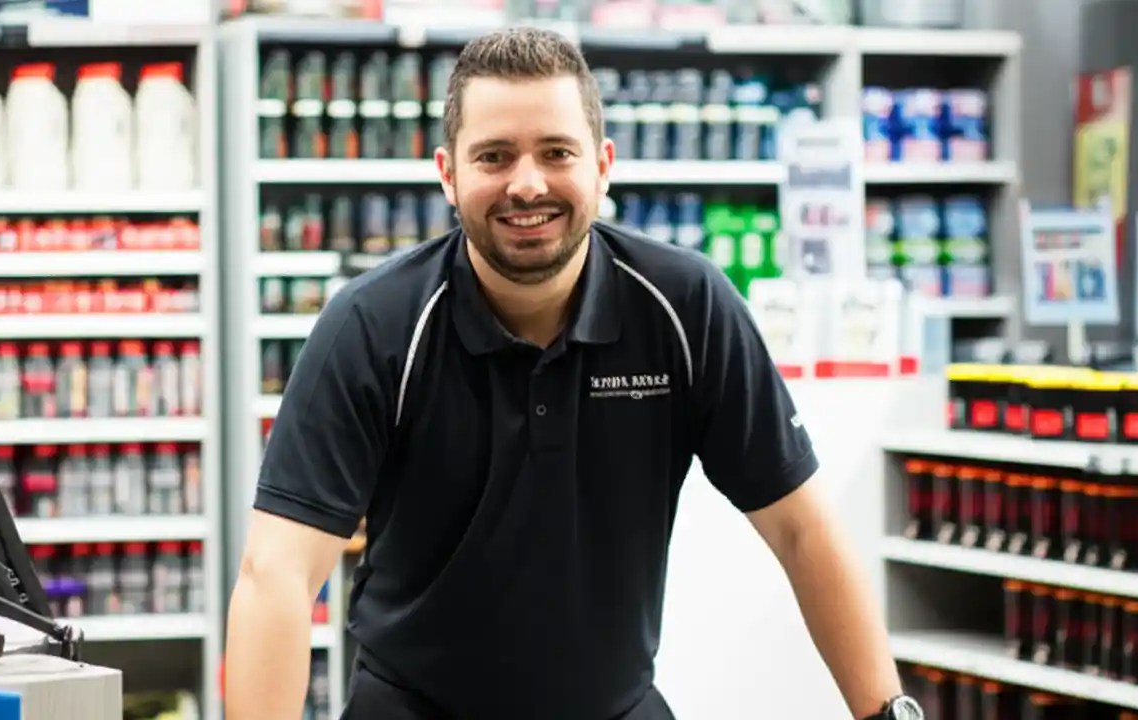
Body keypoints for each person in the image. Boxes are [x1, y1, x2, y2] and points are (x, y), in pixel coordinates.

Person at [225, 26, 920, 720]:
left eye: (556, 152)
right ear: (448, 173)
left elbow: (803, 530)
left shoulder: (686, 308)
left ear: (602, 164)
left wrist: (890, 716)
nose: (526, 184)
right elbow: (277, 574)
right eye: (493, 156)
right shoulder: (374, 326)